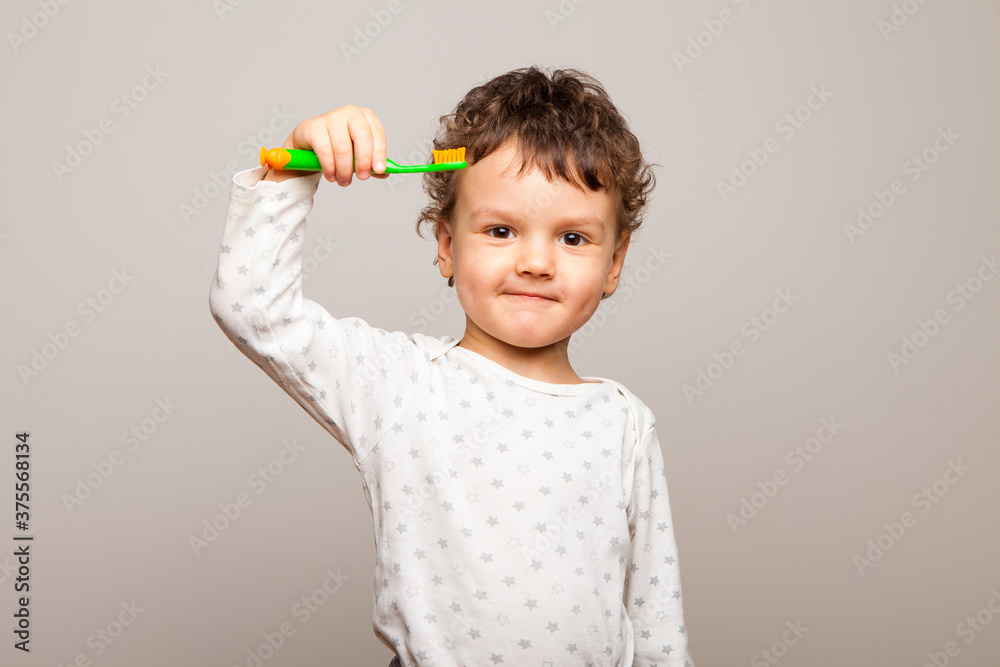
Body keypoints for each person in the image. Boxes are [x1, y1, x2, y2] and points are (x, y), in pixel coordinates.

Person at [209, 65, 694, 667]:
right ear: (445, 245)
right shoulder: (400, 385)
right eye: (500, 230)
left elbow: (655, 623)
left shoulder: (625, 424)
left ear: (615, 260)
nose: (537, 262)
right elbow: (253, 308)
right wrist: (295, 168)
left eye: (572, 238)